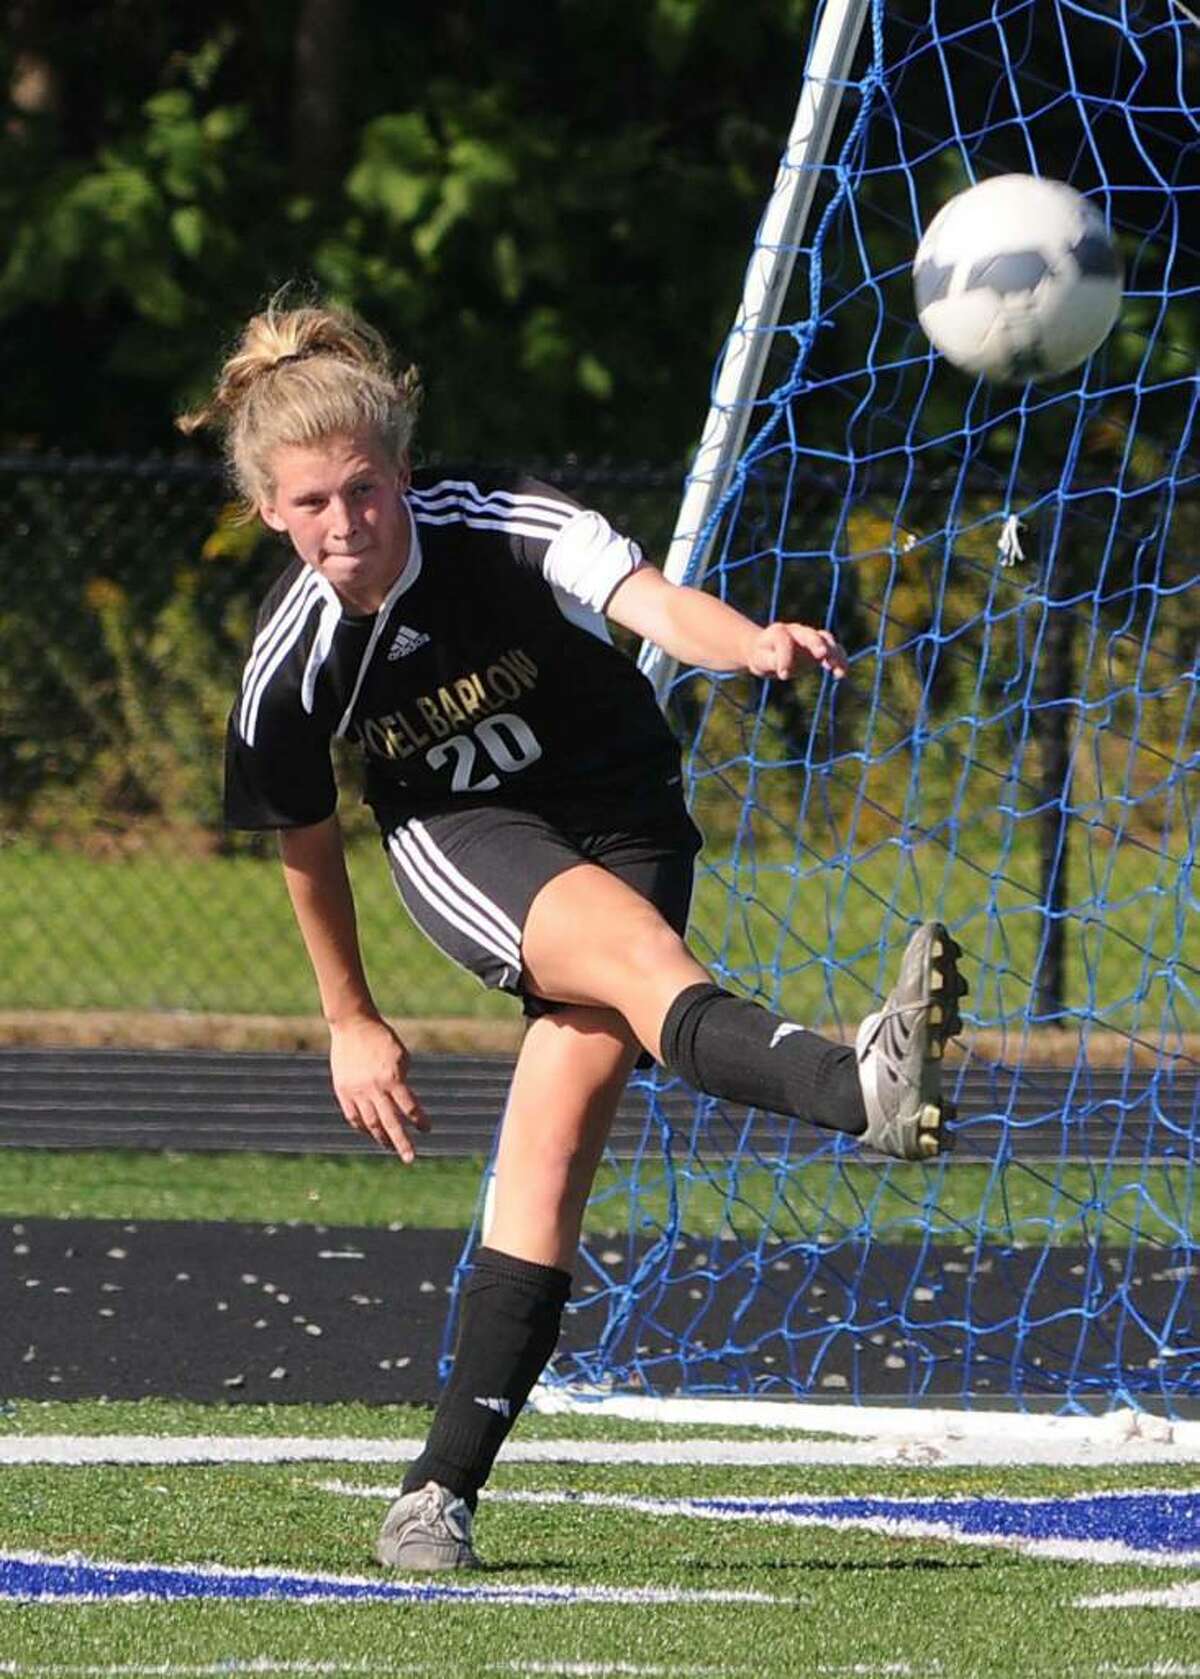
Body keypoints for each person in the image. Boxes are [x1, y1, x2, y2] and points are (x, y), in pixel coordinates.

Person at [181, 293, 966, 1573]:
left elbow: (648, 600)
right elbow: (305, 840)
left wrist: (749, 642)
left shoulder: (497, 515)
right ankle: (852, 1084)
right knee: (649, 969)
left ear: (403, 472)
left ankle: (435, 1493)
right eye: (312, 502)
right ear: (270, 509)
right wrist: (350, 1018)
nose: (346, 523)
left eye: (365, 490)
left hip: (623, 808)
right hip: (468, 835)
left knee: (547, 1163)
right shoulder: (294, 655)